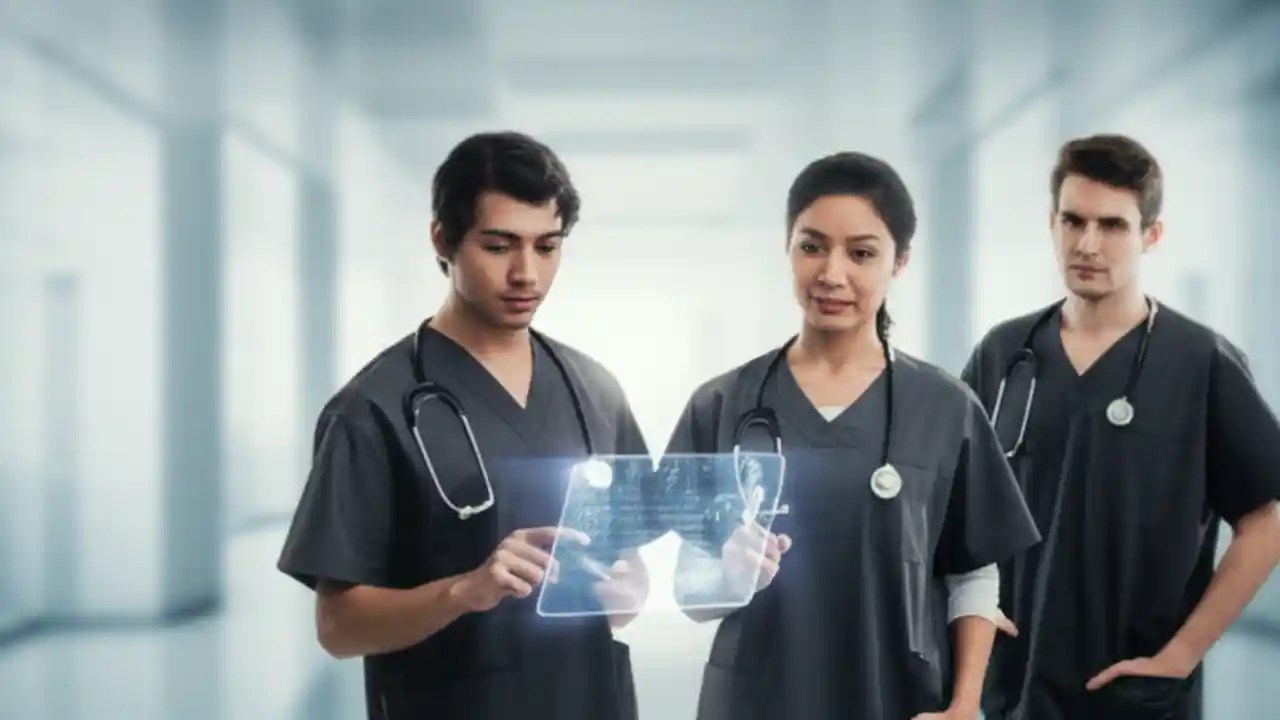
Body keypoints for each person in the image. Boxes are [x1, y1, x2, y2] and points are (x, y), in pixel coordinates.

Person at [277, 131, 653, 719]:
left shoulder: (593, 390)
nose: (527, 273)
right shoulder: (374, 408)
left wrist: (631, 590)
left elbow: (627, 569)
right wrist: (464, 592)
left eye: (547, 246)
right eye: (499, 246)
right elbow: (338, 627)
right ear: (443, 240)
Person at [664, 151, 1041, 720]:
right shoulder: (723, 403)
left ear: (900, 262)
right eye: (812, 246)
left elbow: (973, 570)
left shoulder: (945, 407)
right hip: (757, 699)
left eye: (861, 253)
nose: (832, 274)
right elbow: (689, 592)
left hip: (897, 697)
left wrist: (965, 705)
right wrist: (729, 577)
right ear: (787, 248)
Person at [962, 133, 1280, 720]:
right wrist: (965, 614)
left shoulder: (1200, 362)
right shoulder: (1004, 353)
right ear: (1052, 224)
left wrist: (1183, 654)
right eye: (1073, 221)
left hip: (1137, 692)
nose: (1087, 244)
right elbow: (954, 503)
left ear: (1150, 235)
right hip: (1013, 687)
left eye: (1112, 225)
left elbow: (1265, 517)